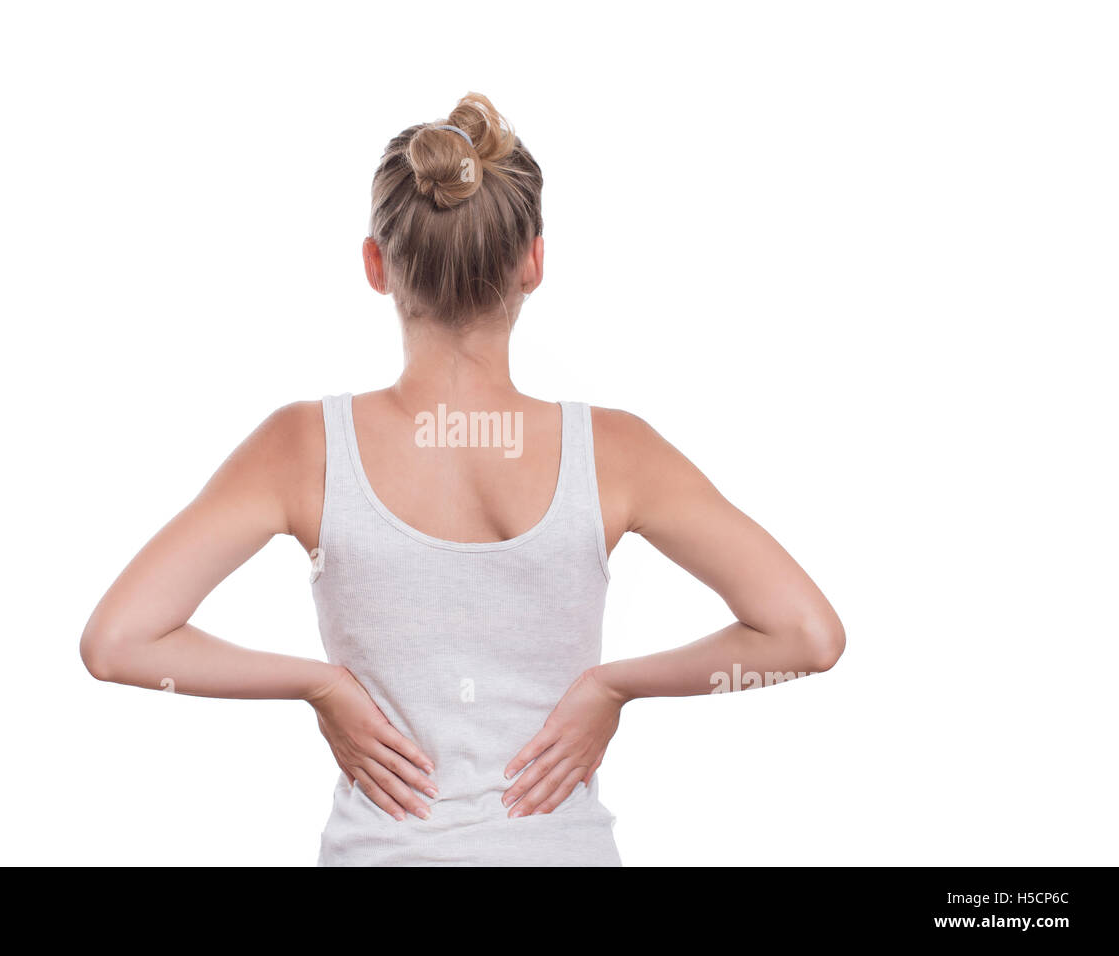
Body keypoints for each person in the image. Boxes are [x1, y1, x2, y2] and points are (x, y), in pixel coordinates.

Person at [79, 92, 846, 867]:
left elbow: (118, 643)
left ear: (376, 265)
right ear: (534, 263)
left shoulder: (303, 447)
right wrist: (614, 687)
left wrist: (320, 686)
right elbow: (807, 636)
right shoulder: (616, 452)